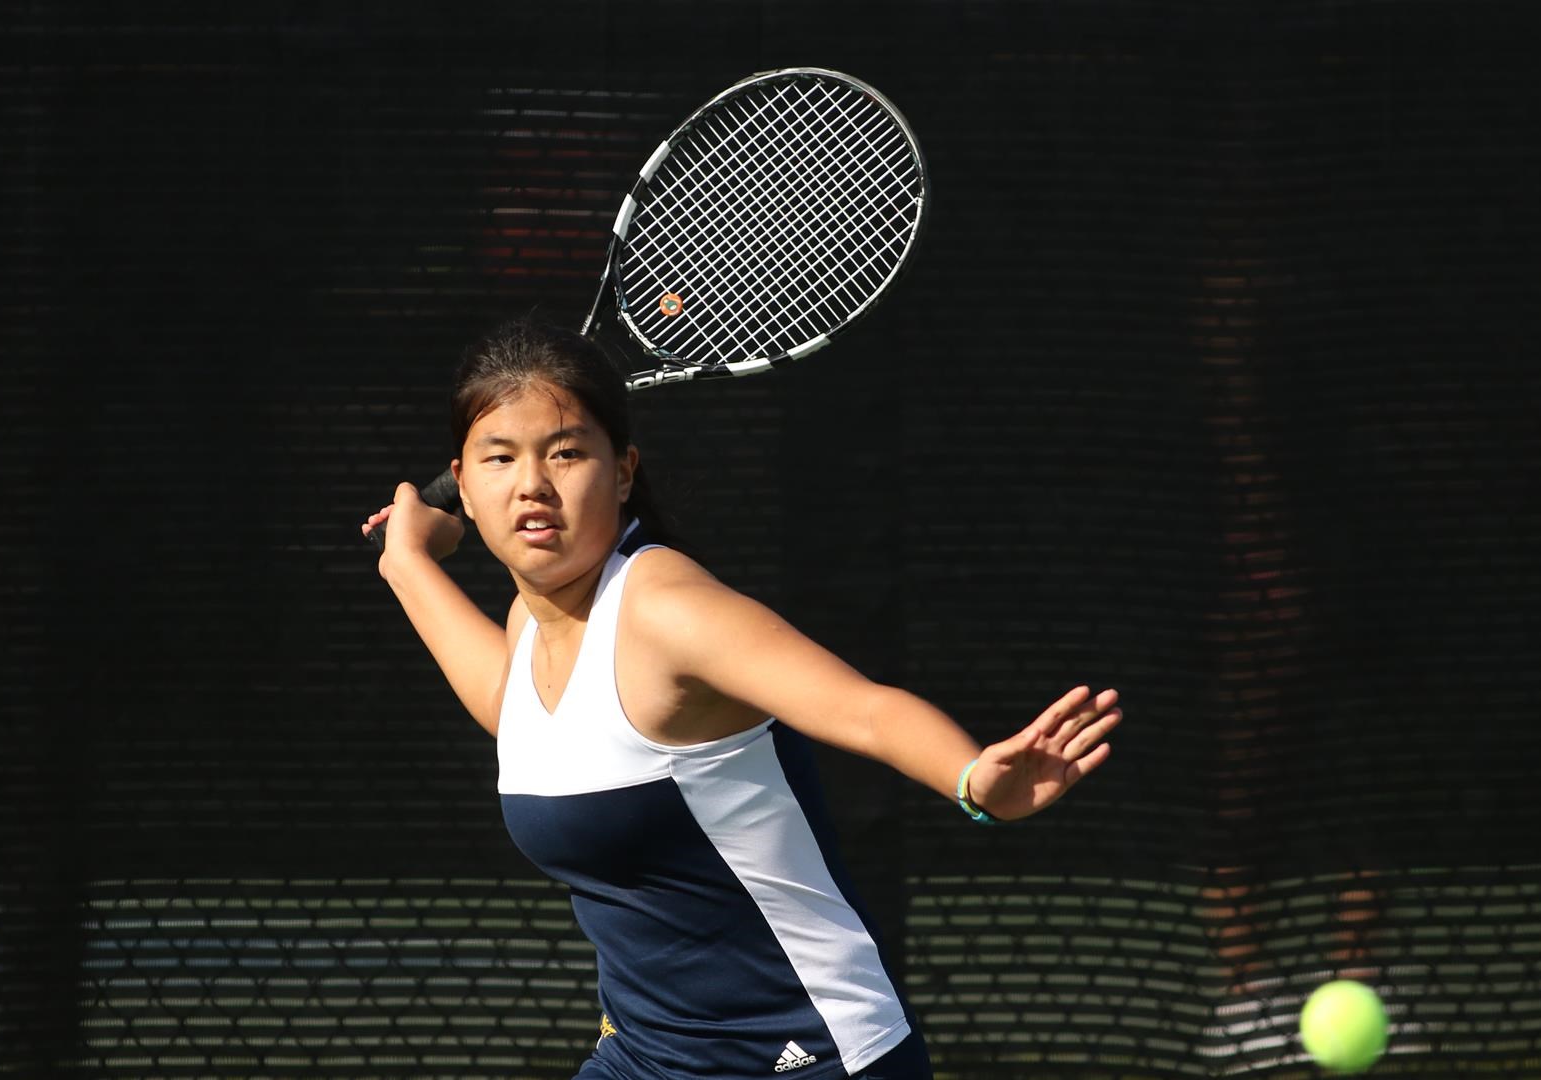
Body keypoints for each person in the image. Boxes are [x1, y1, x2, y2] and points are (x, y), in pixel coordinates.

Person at [361, 316, 1122, 1080]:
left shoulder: (668, 609)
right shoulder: (534, 622)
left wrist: (971, 781)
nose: (533, 483)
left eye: (566, 452)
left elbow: (862, 708)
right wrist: (408, 562)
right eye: (501, 458)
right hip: (645, 1057)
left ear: (622, 472)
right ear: (461, 484)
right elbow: (522, 719)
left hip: (806, 1059)